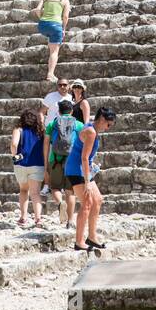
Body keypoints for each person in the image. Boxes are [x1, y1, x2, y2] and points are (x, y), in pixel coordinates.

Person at [64, 105, 116, 252]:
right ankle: (79, 242)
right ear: (102, 119)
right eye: (108, 124)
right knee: (87, 203)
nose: (109, 127)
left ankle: (92, 237)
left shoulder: (92, 128)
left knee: (98, 199)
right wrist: (87, 181)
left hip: (83, 169)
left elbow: (87, 157)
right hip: (76, 170)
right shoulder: (91, 132)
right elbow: (84, 157)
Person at [44, 98, 83, 226]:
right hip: (72, 160)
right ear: (71, 111)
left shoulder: (52, 124)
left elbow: (46, 144)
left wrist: (46, 164)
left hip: (54, 159)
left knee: (54, 188)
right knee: (70, 191)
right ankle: (70, 221)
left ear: (59, 112)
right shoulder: (78, 125)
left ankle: (61, 204)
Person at [11, 108, 46, 228]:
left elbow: (14, 144)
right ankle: (38, 219)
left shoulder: (18, 129)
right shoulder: (41, 131)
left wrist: (14, 156)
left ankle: (23, 217)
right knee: (35, 193)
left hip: (21, 164)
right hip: (37, 164)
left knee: (23, 190)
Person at [34, 0, 70, 81]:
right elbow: (65, 17)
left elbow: (37, 10)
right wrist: (63, 29)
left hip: (42, 25)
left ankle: (50, 42)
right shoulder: (64, 0)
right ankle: (50, 74)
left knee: (51, 41)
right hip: (55, 26)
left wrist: (41, 18)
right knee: (54, 52)